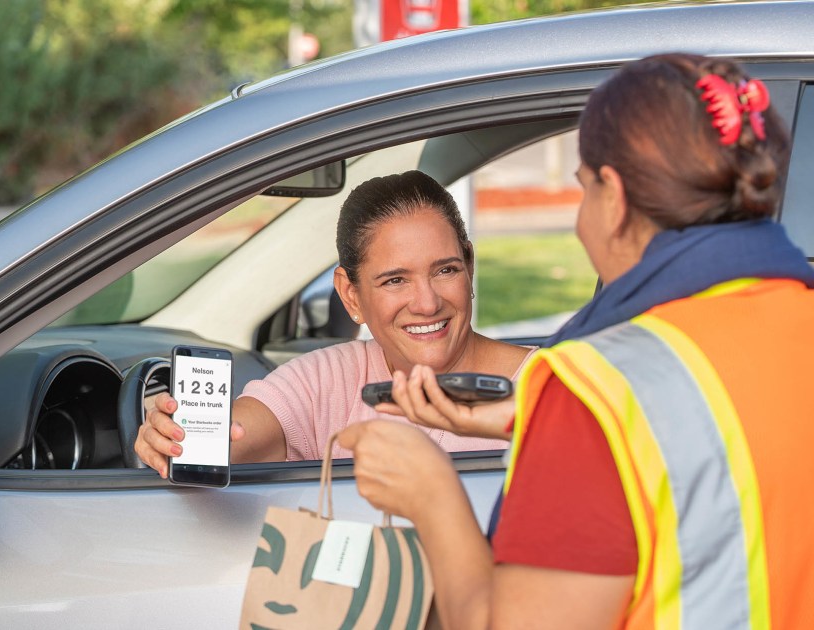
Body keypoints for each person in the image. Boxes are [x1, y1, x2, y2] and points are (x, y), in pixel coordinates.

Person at [340, 53, 814, 628]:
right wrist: (540, 419)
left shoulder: (597, 395)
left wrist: (434, 495)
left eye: (584, 190)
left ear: (612, 197)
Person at [134, 170, 533, 475]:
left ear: (469, 266)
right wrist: (175, 438)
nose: (427, 303)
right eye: (395, 280)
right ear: (351, 295)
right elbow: (236, 437)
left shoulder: (555, 385)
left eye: (445, 271)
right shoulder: (329, 379)